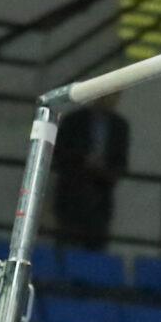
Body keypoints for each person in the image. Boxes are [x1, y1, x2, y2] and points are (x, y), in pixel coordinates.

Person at [51, 94, 129, 251]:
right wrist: (83, 161)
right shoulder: (73, 121)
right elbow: (60, 154)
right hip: (71, 192)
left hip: (100, 196)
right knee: (67, 243)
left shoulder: (119, 126)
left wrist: (104, 171)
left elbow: (121, 161)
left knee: (95, 245)